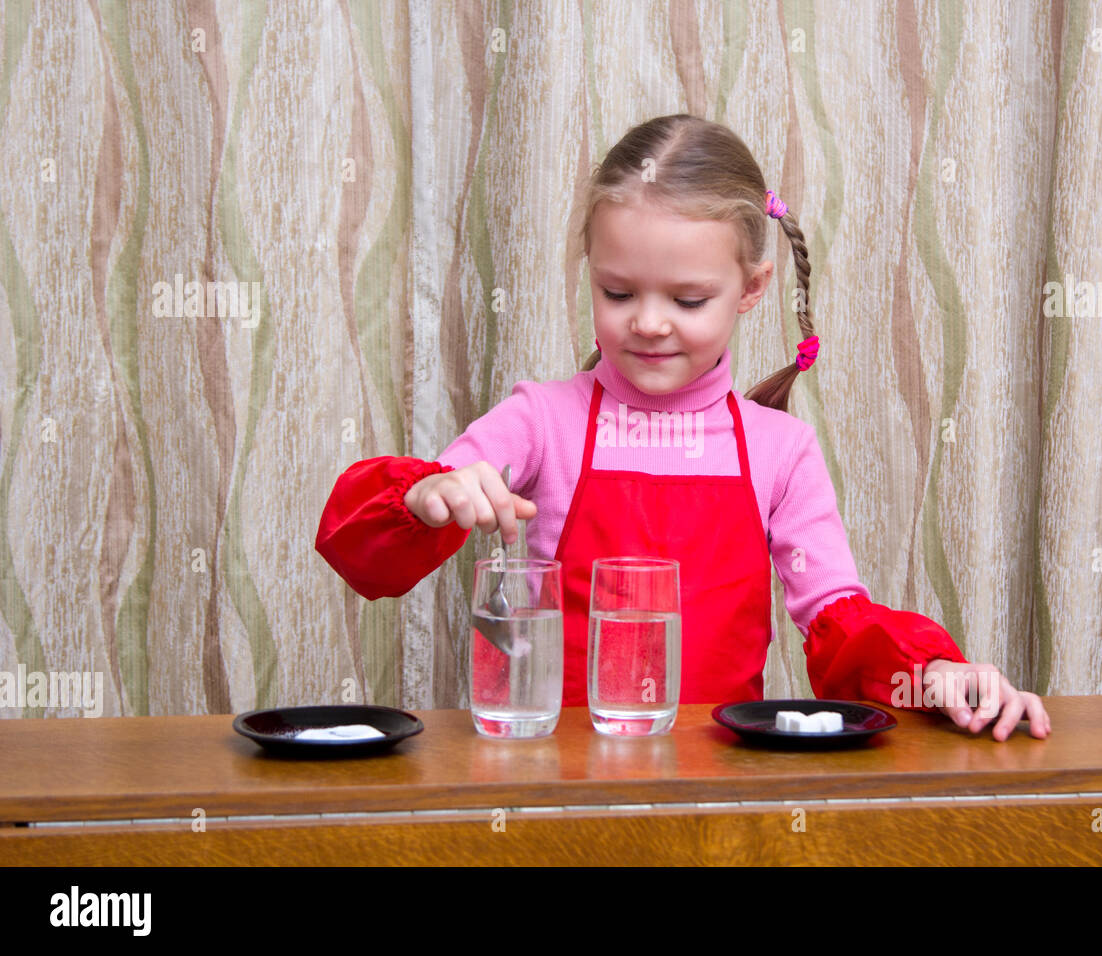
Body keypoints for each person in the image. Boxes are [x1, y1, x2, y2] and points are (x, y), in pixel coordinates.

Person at [316, 114, 1050, 742]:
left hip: (720, 794)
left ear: (752, 288)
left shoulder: (780, 449)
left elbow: (837, 622)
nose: (649, 322)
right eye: (617, 291)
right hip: (559, 790)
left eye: (689, 298)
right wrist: (427, 496)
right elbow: (369, 553)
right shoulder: (540, 419)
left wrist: (934, 675)